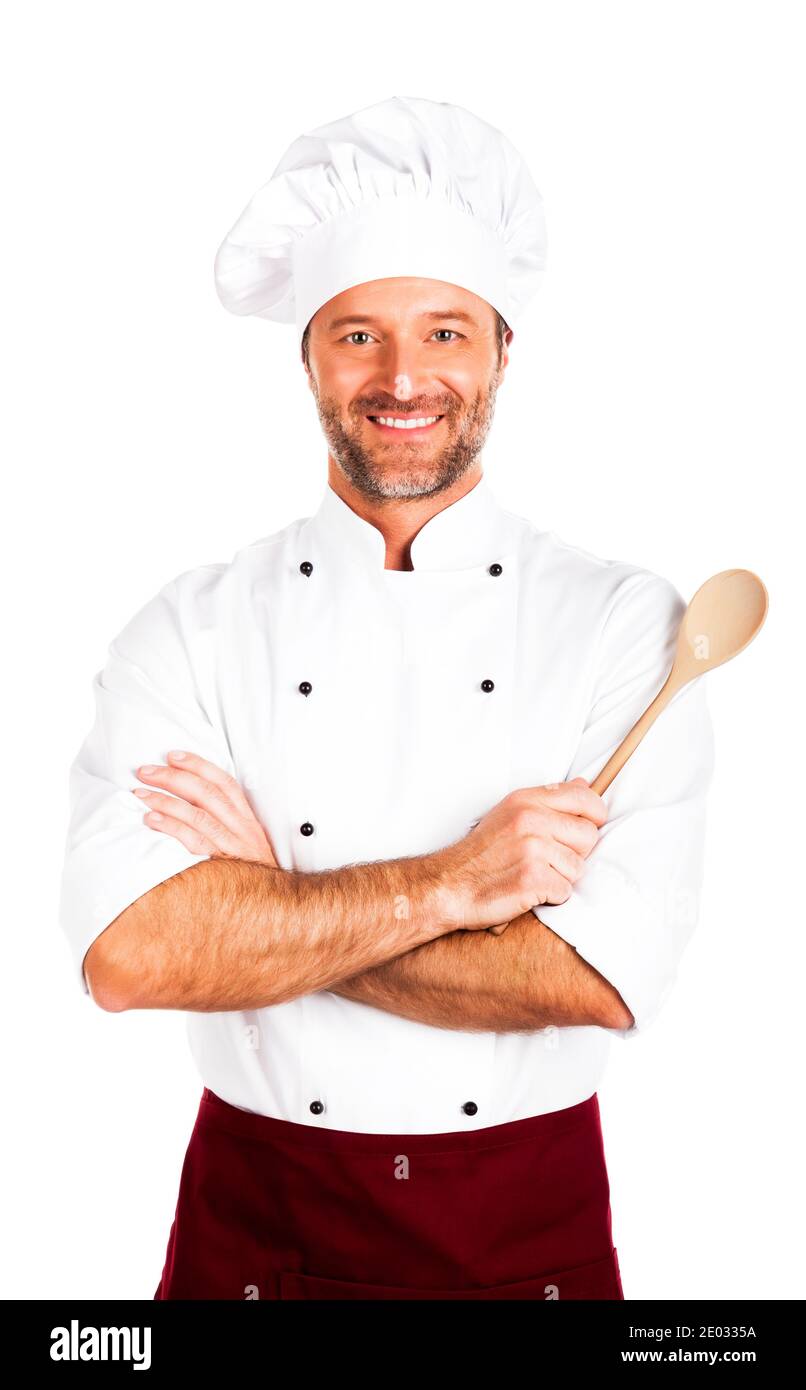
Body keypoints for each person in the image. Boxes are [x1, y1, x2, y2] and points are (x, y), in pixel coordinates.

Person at [58, 95, 715, 1301]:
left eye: (446, 332)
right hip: (258, 1226)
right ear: (306, 354)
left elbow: (594, 977)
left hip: (524, 1234)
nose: (404, 377)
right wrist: (456, 887)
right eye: (357, 335)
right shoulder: (189, 627)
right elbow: (132, 956)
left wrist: (263, 910)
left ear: (502, 351)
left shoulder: (628, 627)